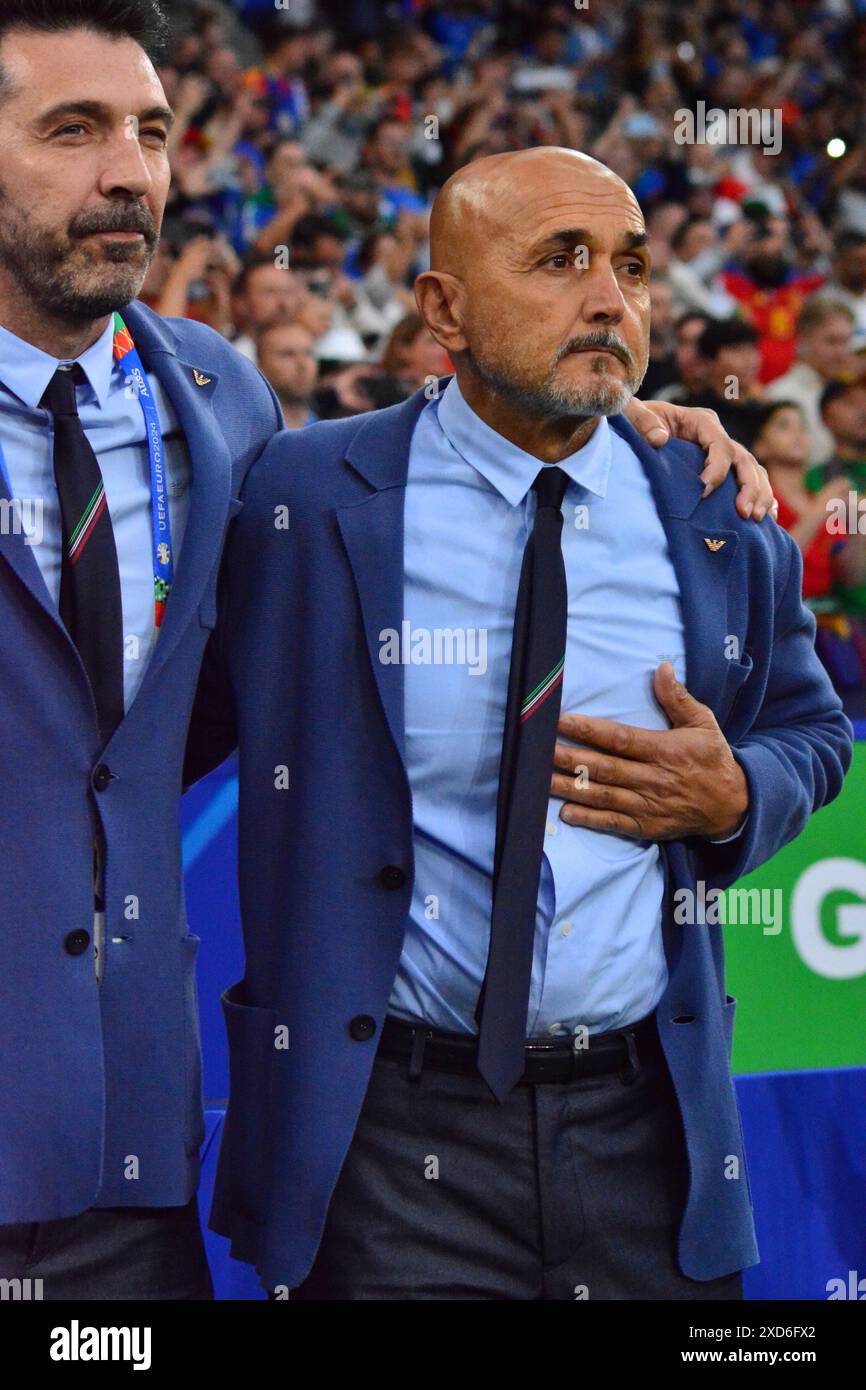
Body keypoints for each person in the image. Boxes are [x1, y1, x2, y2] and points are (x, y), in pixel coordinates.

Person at [185, 146, 850, 1300]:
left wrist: (738, 793)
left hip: (649, 1129)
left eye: (632, 268)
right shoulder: (298, 495)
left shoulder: (713, 508)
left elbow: (814, 734)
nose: (609, 297)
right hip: (385, 1137)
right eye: (560, 261)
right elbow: (154, 728)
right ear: (440, 306)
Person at [0, 0, 283, 1297]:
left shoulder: (226, 398)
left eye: (152, 132)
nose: (131, 172)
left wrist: (628, 435)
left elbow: (197, 716)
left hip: (129, 1148)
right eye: (73, 129)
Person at [765, 299, 856, 465]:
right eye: (832, 341)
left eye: (846, 342)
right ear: (803, 339)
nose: (841, 352)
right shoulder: (780, 394)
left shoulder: (851, 393)